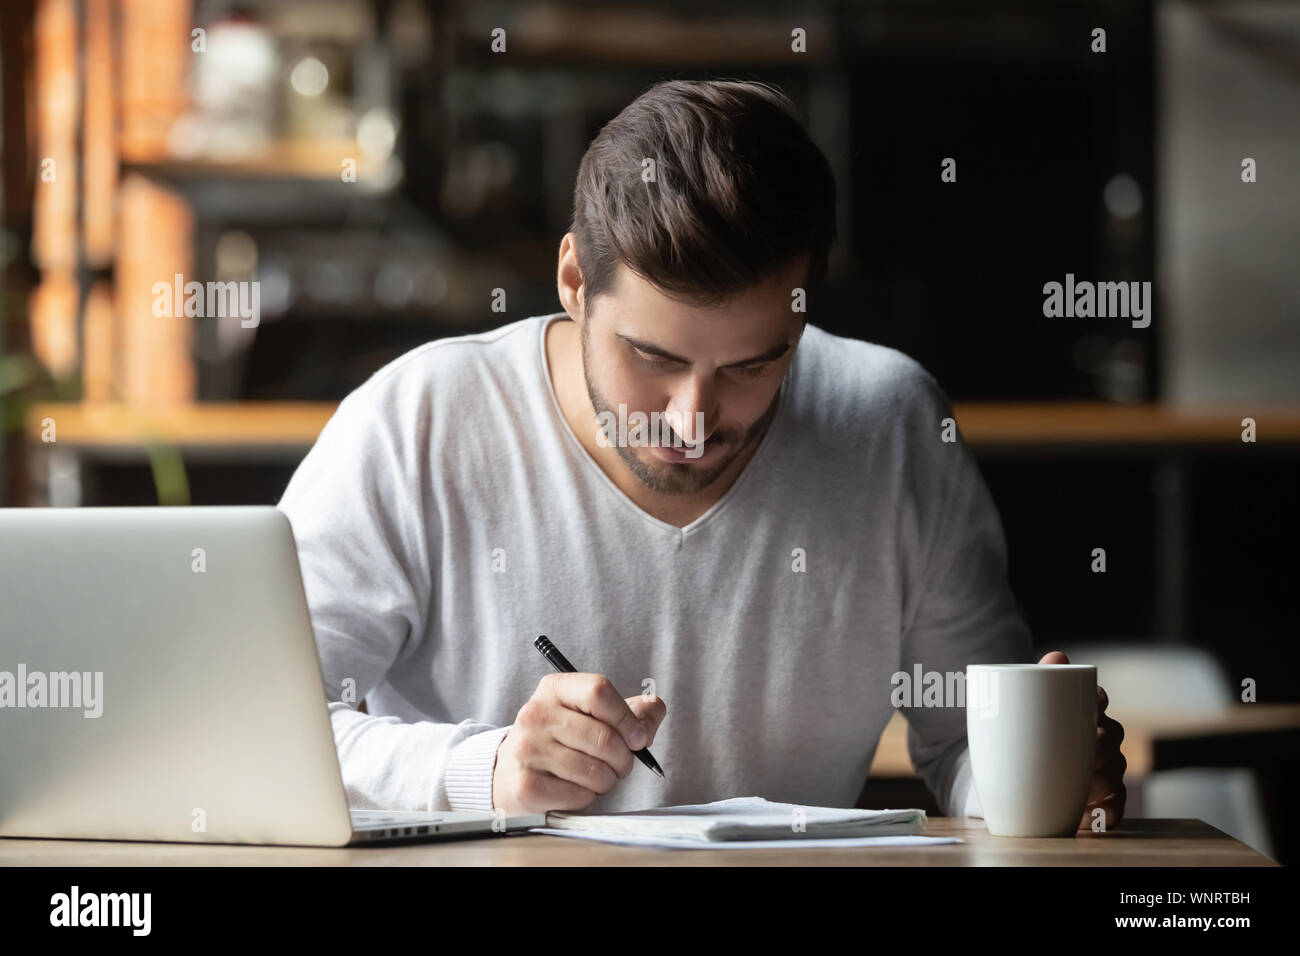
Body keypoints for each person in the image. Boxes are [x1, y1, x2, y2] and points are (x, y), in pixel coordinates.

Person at [276, 78, 1126, 825]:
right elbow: (256, 726)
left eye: (754, 366)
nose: (690, 421)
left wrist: (1045, 780)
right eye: (655, 358)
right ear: (574, 283)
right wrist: (480, 770)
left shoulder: (890, 425)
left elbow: (963, 749)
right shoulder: (420, 421)